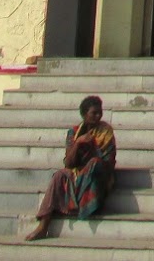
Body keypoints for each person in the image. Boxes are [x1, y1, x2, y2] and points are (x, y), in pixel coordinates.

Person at [25, 95, 117, 240]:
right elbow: (68, 163)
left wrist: (92, 148)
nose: (98, 116)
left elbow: (108, 162)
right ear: (84, 114)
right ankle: (43, 226)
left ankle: (81, 204)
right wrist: (79, 142)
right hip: (77, 173)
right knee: (59, 176)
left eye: (100, 112)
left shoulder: (106, 131)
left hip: (98, 176)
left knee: (94, 163)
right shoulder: (74, 132)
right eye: (94, 113)